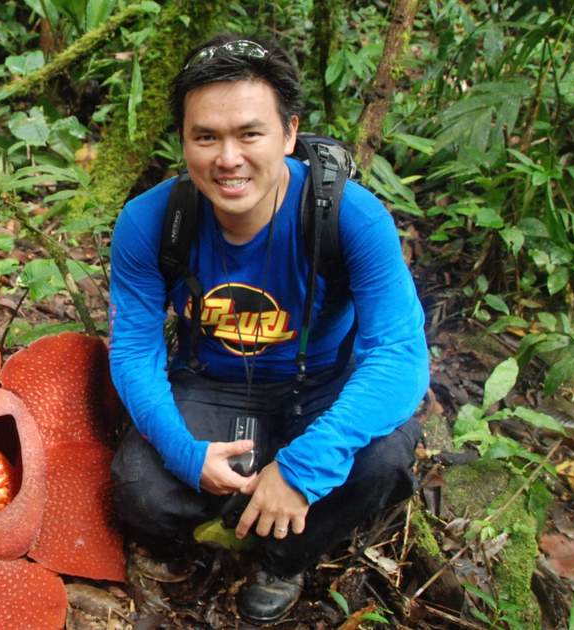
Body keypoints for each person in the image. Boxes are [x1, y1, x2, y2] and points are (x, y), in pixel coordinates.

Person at [108, 35, 428, 623]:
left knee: (384, 457)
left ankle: (281, 560)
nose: (227, 158)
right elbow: (134, 350)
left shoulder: (348, 217)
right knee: (139, 488)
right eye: (206, 136)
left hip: (321, 387)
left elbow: (401, 355)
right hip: (213, 385)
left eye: (249, 134)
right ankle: (216, 532)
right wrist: (185, 452)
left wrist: (304, 468)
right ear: (184, 139)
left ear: (288, 133)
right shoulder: (153, 221)